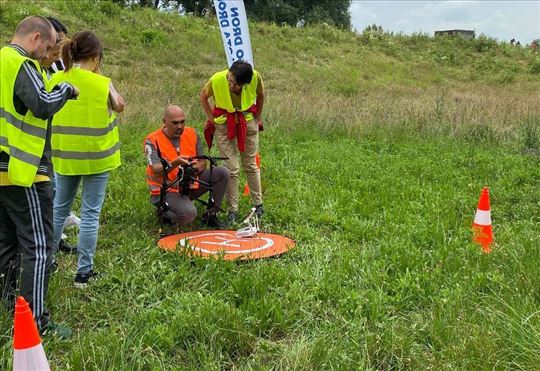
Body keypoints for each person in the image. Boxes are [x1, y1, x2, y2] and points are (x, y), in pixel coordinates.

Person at [0, 16, 78, 337]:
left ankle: (8, 306)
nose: (48, 54)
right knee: (40, 246)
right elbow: (42, 104)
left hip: (2, 171)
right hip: (26, 172)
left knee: (6, 243)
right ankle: (35, 322)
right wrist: (64, 89)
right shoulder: (21, 63)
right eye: (47, 47)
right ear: (35, 38)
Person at [49, 30, 125, 288]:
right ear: (96, 57)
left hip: (65, 156)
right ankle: (84, 273)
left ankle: (47, 262)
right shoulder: (101, 83)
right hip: (97, 158)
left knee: (58, 209)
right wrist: (102, 78)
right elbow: (119, 105)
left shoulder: (55, 78)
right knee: (90, 215)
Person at [199, 60, 265, 224]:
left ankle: (258, 204)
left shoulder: (255, 77)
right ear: (230, 73)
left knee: (250, 165)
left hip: (247, 121)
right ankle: (232, 211)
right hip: (224, 123)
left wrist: (257, 117)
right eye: (231, 81)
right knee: (231, 168)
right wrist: (212, 119)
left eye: (237, 85)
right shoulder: (216, 79)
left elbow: (261, 94)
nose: (232, 86)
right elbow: (203, 96)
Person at [144, 105, 229, 228]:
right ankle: (165, 212)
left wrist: (193, 169)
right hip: (167, 190)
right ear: (164, 121)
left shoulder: (192, 133)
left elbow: (202, 162)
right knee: (189, 214)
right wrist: (175, 163)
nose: (179, 126)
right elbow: (156, 170)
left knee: (222, 172)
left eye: (182, 122)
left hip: (189, 184)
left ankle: (211, 215)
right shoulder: (152, 140)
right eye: (175, 123)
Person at [39, 16, 80, 255]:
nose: (61, 48)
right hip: (32, 147)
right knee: (48, 191)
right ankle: (49, 243)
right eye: (58, 42)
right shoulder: (31, 68)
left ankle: (53, 237)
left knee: (53, 189)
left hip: (49, 140)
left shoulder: (54, 66)